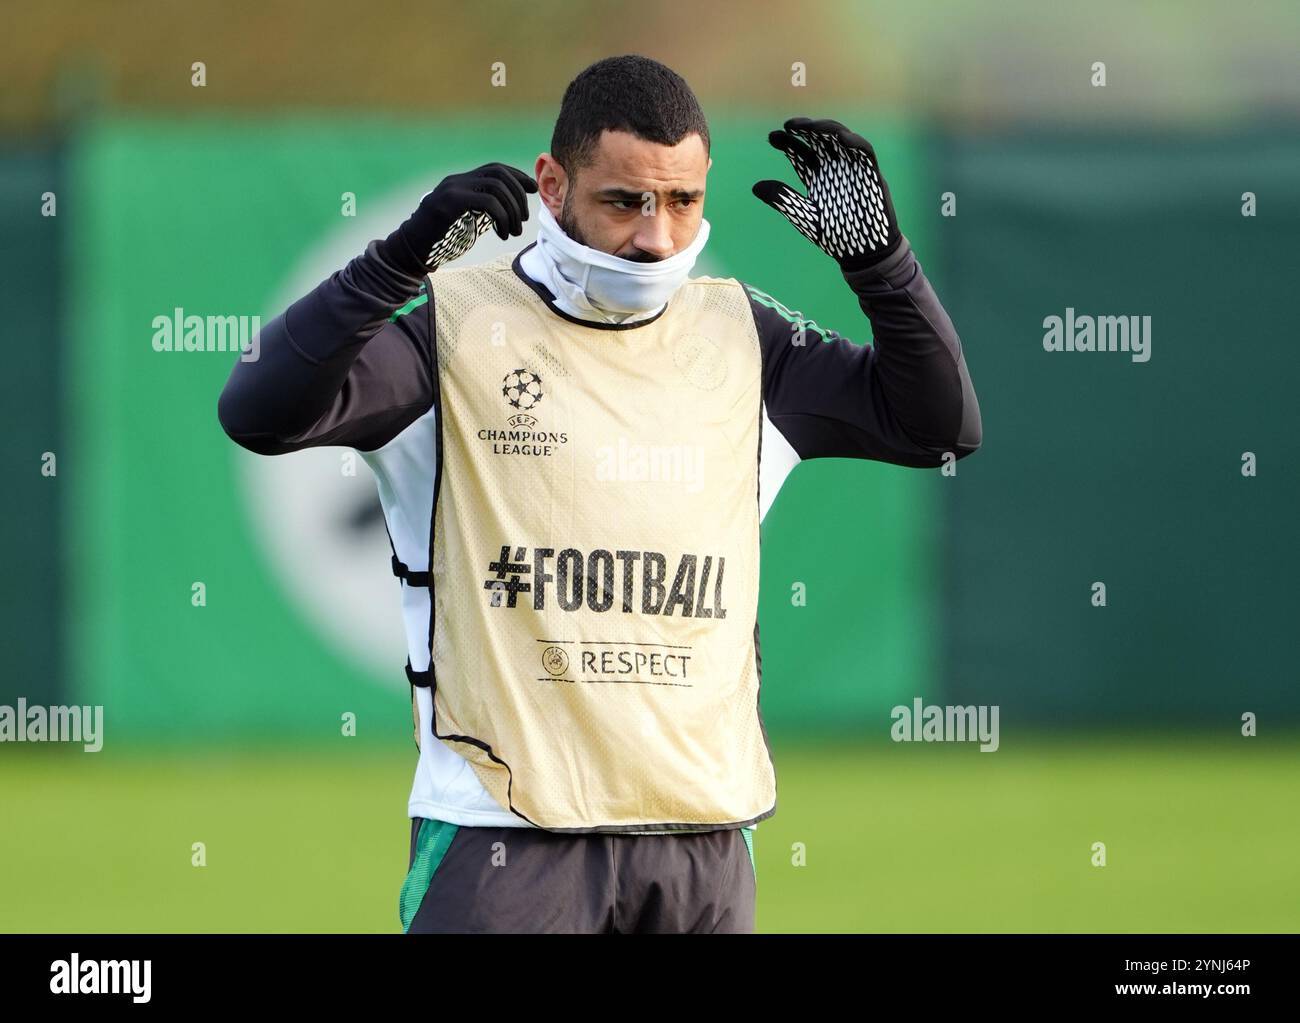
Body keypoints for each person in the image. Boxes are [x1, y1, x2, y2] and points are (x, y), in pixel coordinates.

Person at [217, 54, 981, 934]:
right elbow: (257, 409)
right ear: (552, 183)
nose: (657, 237)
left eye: (683, 201)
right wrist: (397, 260)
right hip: (504, 835)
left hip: (699, 839)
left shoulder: (744, 340)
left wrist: (882, 267)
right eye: (625, 201)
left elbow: (939, 426)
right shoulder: (454, 331)